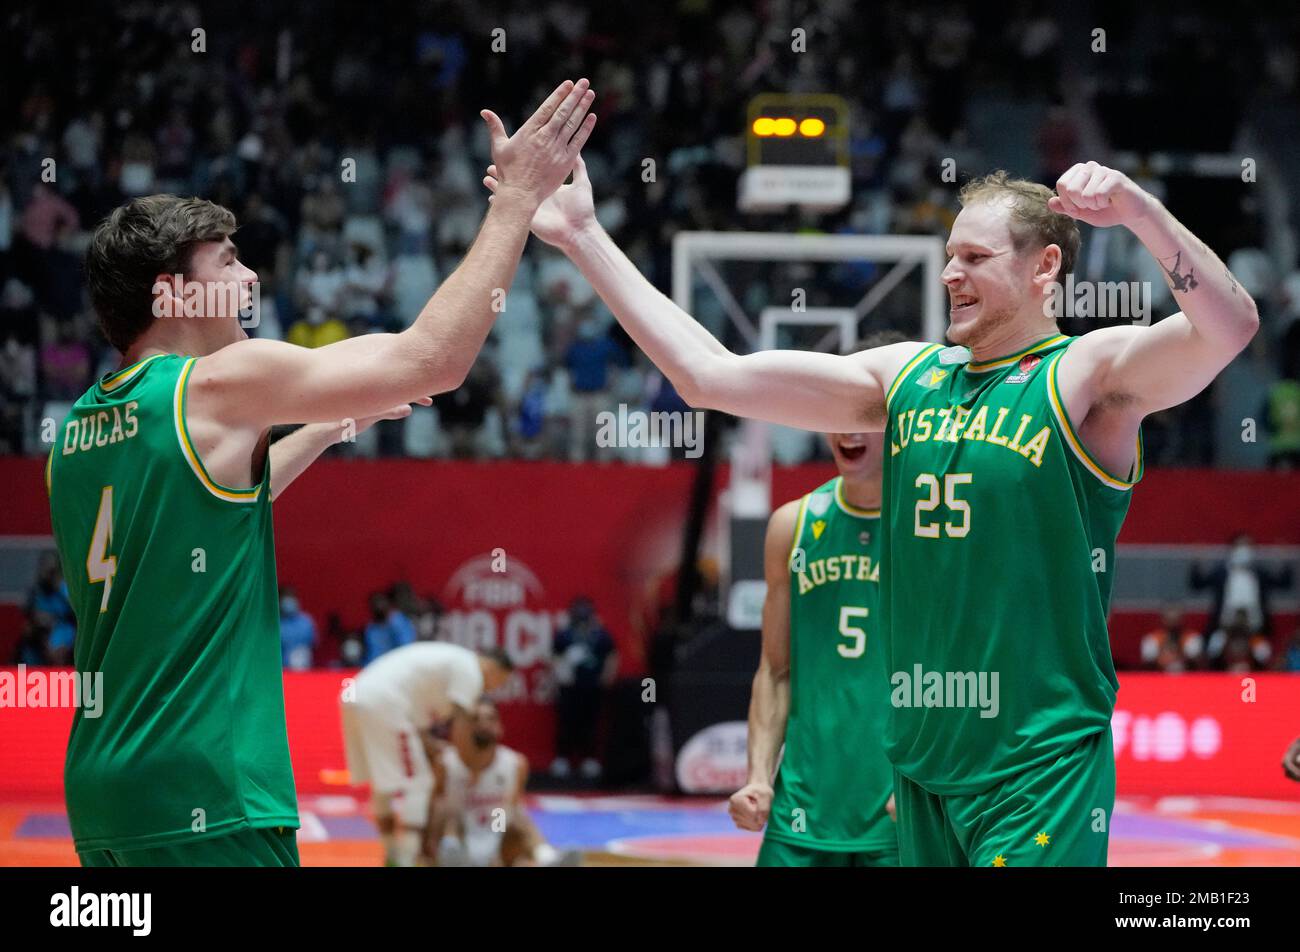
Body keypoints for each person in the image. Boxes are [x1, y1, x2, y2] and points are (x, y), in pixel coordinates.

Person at [485, 159, 1259, 865]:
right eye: (950, 255)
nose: (951, 274)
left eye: (976, 259)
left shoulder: (1086, 374)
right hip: (921, 767)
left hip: (1038, 762)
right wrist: (584, 236)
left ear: (1044, 267)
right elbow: (707, 375)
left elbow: (1229, 328)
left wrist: (1142, 214)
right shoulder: (906, 376)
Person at [47, 79, 597, 867]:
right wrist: (513, 201)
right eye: (229, 262)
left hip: (104, 791)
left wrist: (331, 426)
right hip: (211, 787)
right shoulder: (216, 384)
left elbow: (220, 509)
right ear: (171, 290)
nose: (249, 281)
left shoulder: (77, 432)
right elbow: (433, 360)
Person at [730, 332, 904, 867]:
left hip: (897, 813)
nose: (847, 428)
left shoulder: (929, 526)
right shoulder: (794, 525)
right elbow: (776, 671)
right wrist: (759, 775)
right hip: (801, 813)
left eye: (864, 412)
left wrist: (931, 776)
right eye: (837, 409)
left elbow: (964, 664)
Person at [339, 644, 514, 867]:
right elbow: (461, 726)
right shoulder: (471, 671)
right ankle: (406, 859)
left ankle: (391, 852)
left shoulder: (449, 663)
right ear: (492, 667)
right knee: (420, 784)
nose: (494, 687)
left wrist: (433, 745)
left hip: (356, 696)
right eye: (500, 680)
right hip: (385, 703)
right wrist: (468, 766)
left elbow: (419, 728)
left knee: (381, 785)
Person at [424, 697, 574, 866]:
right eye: (476, 719)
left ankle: (546, 858)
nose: (483, 724)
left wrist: (498, 838)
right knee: (446, 814)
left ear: (500, 727)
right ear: (464, 727)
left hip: (495, 829)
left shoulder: (515, 763)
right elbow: (433, 807)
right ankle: (450, 853)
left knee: (518, 816)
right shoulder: (446, 762)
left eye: (490, 718)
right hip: (459, 836)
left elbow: (509, 808)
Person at [550, 596, 617, 780]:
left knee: (591, 723)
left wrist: (607, 677)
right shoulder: (564, 634)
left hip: (593, 687)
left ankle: (590, 759)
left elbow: (611, 655)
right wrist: (560, 675)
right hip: (570, 687)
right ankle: (563, 758)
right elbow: (555, 657)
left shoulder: (601, 635)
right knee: (567, 722)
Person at [1190, 532, 1293, 638]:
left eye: (1248, 546)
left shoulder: (1260, 573)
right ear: (1232, 548)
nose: (1244, 550)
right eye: (1240, 545)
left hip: (1256, 628)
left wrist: (1284, 561)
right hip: (1223, 628)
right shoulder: (1220, 572)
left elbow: (1283, 584)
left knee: (1261, 652)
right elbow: (1198, 585)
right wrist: (1197, 563)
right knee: (1215, 649)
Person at [1138, 603, 1204, 672]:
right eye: (1170, 618)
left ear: (1182, 619)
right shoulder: (1152, 638)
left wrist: (1178, 654)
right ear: (1163, 619)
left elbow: (1195, 661)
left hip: (1188, 678)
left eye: (1176, 618)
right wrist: (1163, 657)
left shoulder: (1193, 638)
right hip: (1158, 678)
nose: (1173, 622)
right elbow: (1148, 662)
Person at [278, 586, 317, 671]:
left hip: (306, 670)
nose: (289, 600)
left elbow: (314, 645)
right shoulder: (275, 624)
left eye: (291, 596)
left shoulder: (306, 621)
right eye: (285, 597)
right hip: (282, 671)